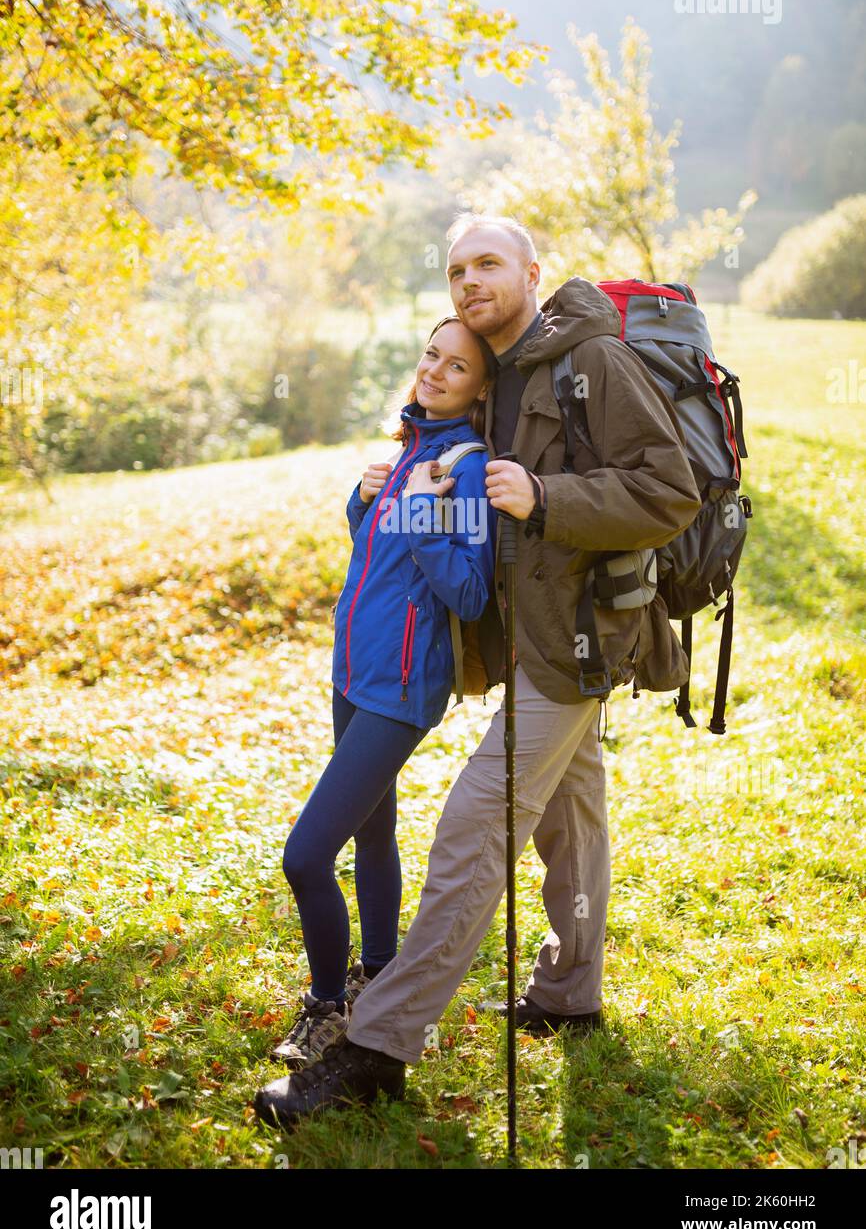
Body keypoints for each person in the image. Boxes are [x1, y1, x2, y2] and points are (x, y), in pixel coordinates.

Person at [254, 215, 702, 1125]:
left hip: (578, 641)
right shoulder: (502, 376)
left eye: (488, 263)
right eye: (456, 268)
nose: (470, 280)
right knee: (571, 817)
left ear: (533, 271)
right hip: (537, 639)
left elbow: (669, 490)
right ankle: (571, 992)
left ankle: (376, 1046)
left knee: (472, 829)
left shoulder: (595, 363)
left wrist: (546, 498)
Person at [269, 314, 498, 1070]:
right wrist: (362, 502)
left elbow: (467, 593)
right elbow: (378, 559)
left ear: (482, 386)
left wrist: (428, 515)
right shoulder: (410, 448)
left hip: (400, 690)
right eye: (432, 355)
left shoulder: (462, 466)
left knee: (305, 858)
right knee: (373, 833)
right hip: (352, 674)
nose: (435, 370)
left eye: (456, 366)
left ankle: (329, 1006)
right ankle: (377, 975)